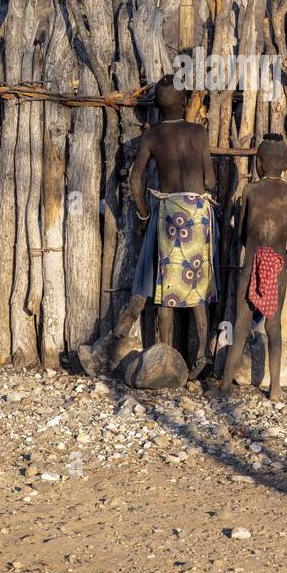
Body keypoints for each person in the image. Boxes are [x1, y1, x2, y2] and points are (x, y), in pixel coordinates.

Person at [218, 133, 287, 402]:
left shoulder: (251, 190)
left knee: (241, 325)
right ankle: (275, 389)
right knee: (274, 326)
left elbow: (242, 233)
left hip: (252, 260)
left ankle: (224, 387)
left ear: (259, 164)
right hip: (277, 263)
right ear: (286, 165)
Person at [124, 76, 217, 373]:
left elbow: (134, 179)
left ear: (158, 107)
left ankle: (166, 358)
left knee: (167, 288)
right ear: (186, 102)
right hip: (196, 213)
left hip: (168, 214)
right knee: (197, 285)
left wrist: (143, 213)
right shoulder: (198, 133)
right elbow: (209, 181)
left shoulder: (151, 137)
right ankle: (203, 355)